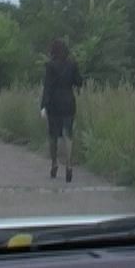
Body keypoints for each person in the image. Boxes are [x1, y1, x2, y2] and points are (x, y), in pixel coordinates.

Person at [40, 38, 83, 182]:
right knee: (67, 134)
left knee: (53, 136)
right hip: (69, 102)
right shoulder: (72, 64)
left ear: (53, 51)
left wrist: (43, 106)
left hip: (54, 104)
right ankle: (69, 164)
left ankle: (54, 163)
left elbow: (47, 87)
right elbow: (79, 82)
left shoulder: (50, 66)